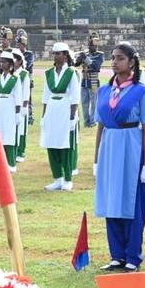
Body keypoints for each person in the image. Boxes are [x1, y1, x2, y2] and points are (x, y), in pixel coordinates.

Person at [93, 43, 145, 272]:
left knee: (131, 202)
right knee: (111, 201)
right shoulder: (104, 91)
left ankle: (132, 255)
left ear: (131, 62)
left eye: (119, 58)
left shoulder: (141, 91)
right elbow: (100, 127)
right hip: (110, 146)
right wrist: (96, 159)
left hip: (131, 145)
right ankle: (116, 254)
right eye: (112, 58)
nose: (114, 62)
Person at [40, 42, 80, 192]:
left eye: (59, 53)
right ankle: (57, 178)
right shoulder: (49, 73)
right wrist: (43, 117)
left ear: (65, 55)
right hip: (52, 109)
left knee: (65, 146)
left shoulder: (71, 72)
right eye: (54, 53)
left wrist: (72, 117)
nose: (56, 56)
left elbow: (75, 97)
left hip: (64, 108)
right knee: (51, 144)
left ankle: (68, 178)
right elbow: (45, 96)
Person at [0, 52, 22, 173]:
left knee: (9, 135)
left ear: (10, 64)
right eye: (1, 61)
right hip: (0, 106)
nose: (2, 64)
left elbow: (18, 98)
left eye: (4, 62)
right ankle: (0, 162)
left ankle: (11, 163)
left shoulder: (15, 79)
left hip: (10, 106)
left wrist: (17, 114)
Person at [77, 34, 105, 129]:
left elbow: (95, 66)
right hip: (84, 80)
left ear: (96, 45)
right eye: (89, 45)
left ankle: (93, 121)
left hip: (93, 80)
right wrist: (78, 58)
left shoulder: (100, 55)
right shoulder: (86, 53)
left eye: (92, 45)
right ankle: (86, 121)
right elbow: (76, 64)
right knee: (84, 102)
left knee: (94, 103)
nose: (90, 47)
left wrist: (85, 58)